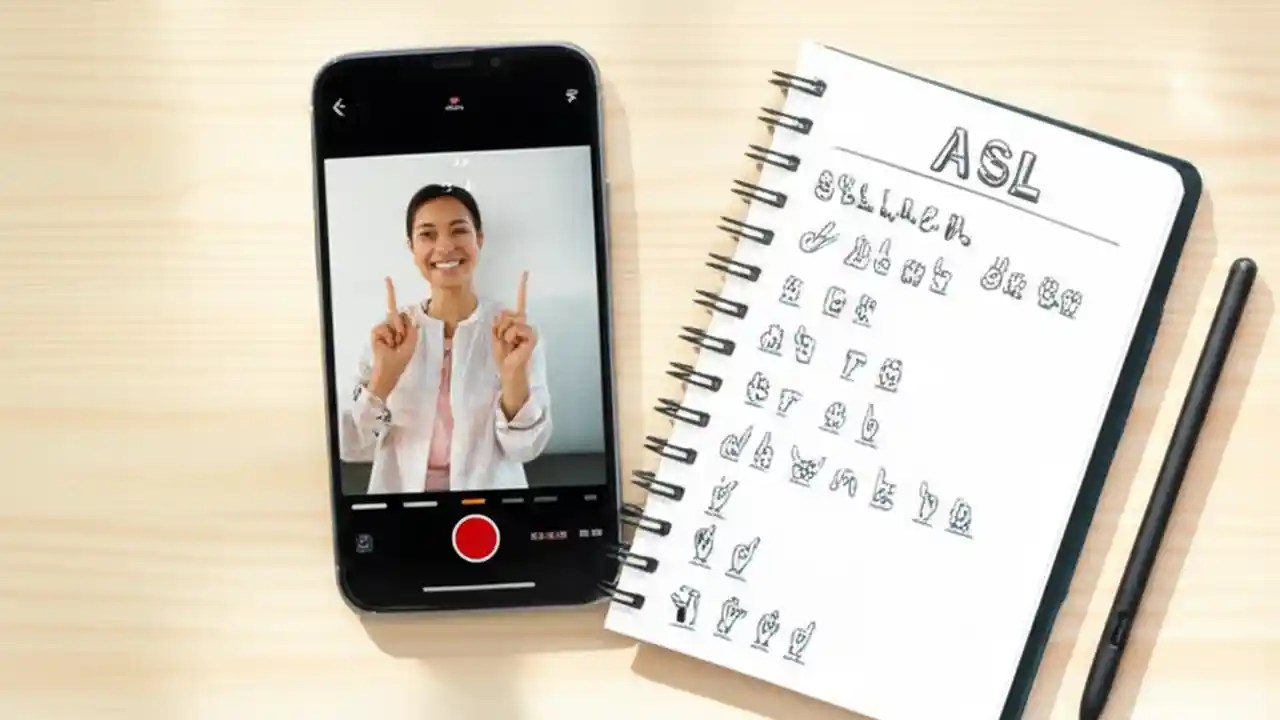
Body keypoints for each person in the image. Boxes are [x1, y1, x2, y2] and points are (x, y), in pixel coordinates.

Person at [339, 183, 552, 493]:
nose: (445, 246)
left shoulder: (515, 333)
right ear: (412, 247)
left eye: (459, 230)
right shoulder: (389, 335)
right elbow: (352, 447)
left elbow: (525, 449)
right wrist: (385, 378)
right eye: (427, 234)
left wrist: (512, 375)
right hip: (402, 512)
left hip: (491, 513)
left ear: (479, 239)